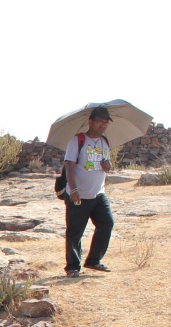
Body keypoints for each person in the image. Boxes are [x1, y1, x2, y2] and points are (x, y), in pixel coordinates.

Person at [63, 106, 114, 277]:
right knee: (75, 232)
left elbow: (106, 163)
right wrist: (74, 189)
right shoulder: (77, 140)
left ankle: (93, 260)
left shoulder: (104, 142)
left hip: (98, 194)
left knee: (107, 224)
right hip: (78, 194)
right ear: (90, 121)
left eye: (105, 123)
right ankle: (72, 267)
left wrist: (108, 166)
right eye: (100, 122)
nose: (103, 126)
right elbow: (69, 166)